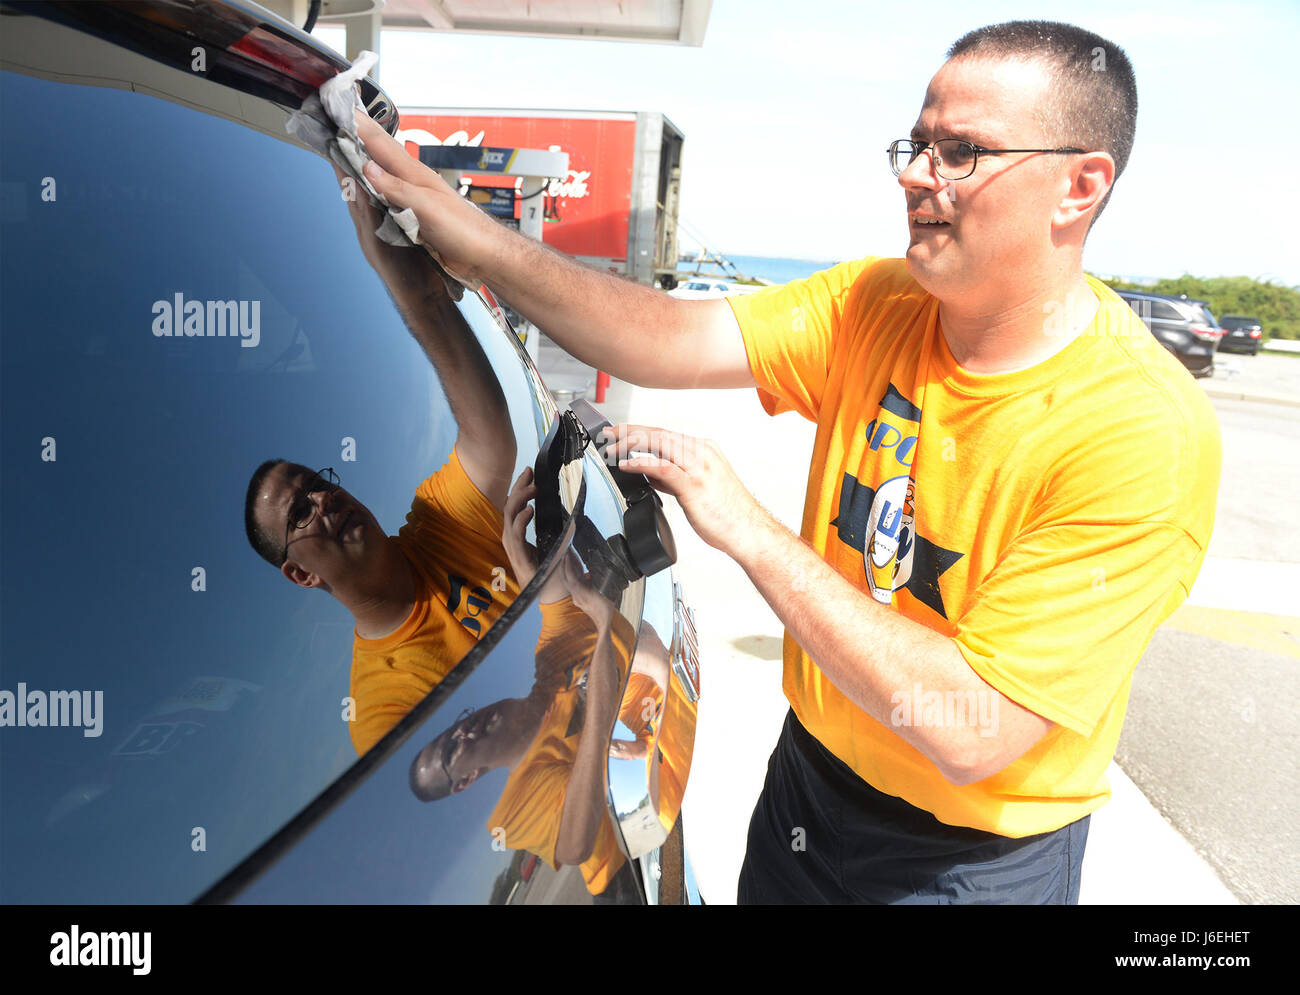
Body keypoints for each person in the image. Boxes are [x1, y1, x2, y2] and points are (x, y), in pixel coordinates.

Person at [351, 19, 1221, 903]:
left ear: (1080, 186)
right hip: (809, 789)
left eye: (962, 151)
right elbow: (669, 338)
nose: (918, 174)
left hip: (967, 865)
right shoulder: (877, 302)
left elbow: (976, 727)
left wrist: (751, 532)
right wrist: (469, 233)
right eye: (917, 145)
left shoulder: (1139, 434)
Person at [243, 183, 522, 756]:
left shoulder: (436, 523)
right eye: (301, 512)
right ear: (301, 575)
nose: (324, 501)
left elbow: (491, 435)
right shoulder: (381, 708)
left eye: (318, 486)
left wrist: (417, 295)